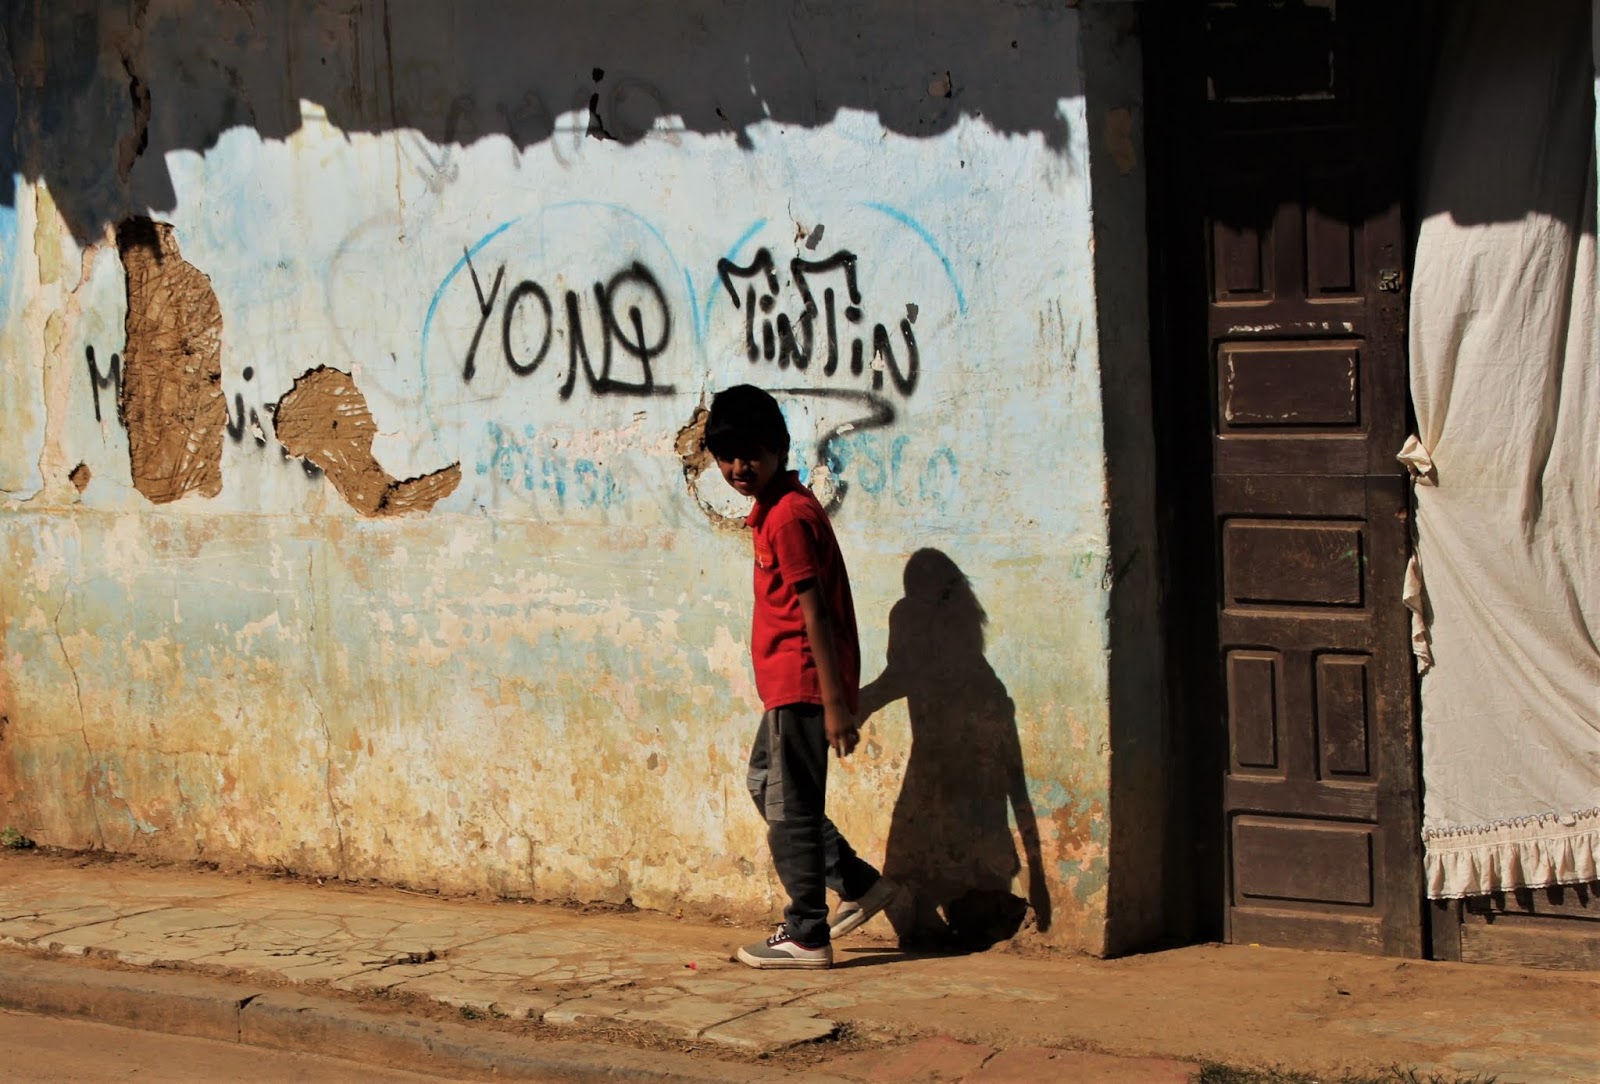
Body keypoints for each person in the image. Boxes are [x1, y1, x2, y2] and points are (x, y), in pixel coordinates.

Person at [705, 385, 899, 969]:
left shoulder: (788, 516)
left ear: (780, 449)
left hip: (803, 682)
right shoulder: (778, 508)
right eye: (727, 457)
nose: (739, 468)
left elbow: (814, 608)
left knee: (790, 805)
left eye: (752, 455)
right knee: (768, 787)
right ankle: (860, 883)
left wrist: (836, 703)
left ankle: (808, 931)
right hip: (791, 686)